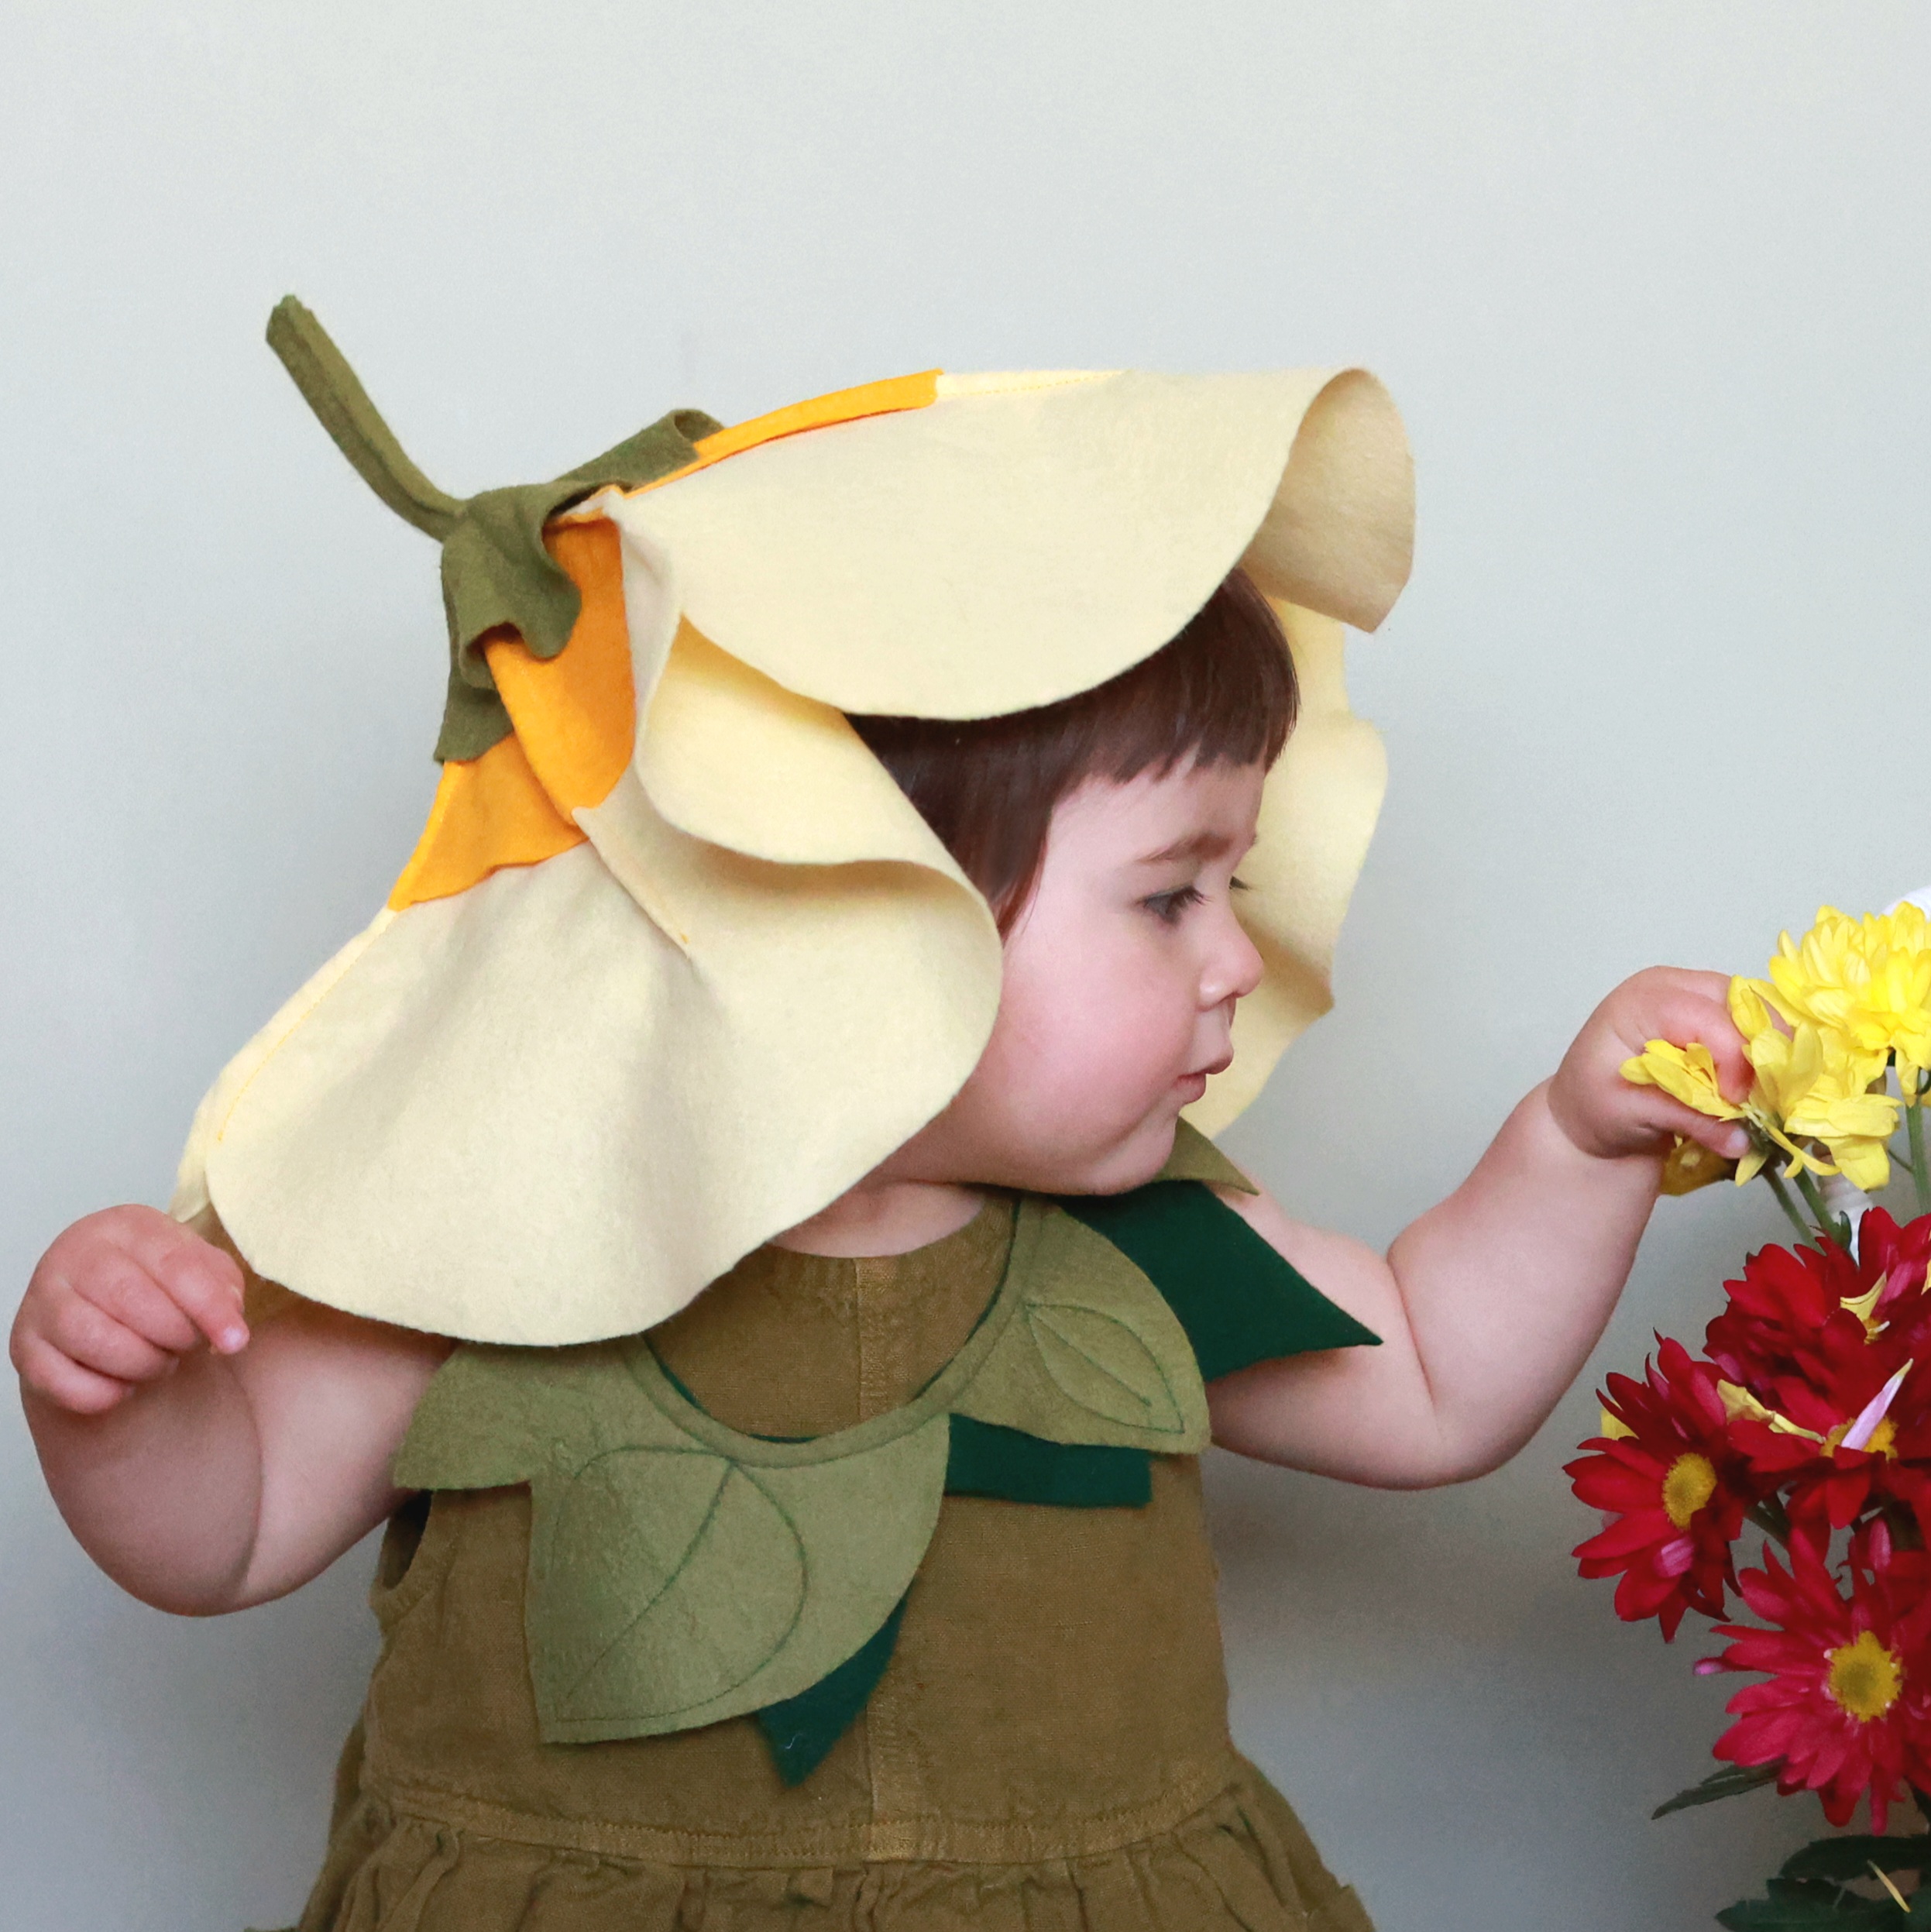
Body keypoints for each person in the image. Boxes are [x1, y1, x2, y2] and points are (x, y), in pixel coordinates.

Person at [12, 304, 1750, 1932]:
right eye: (1168, 896)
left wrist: (1573, 1142)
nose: (1238, 953)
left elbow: (1434, 1375)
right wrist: (125, 1403)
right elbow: (226, 1527)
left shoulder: (1137, 1236)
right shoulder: (502, 1204)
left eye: (1234, 878)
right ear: (845, 894)